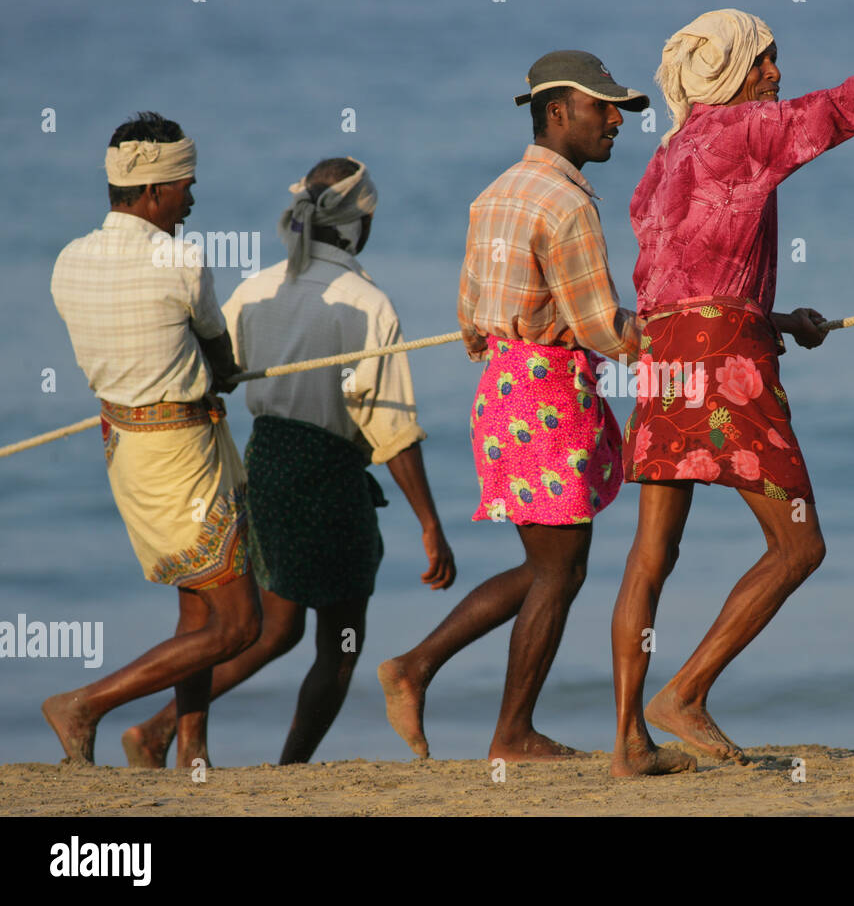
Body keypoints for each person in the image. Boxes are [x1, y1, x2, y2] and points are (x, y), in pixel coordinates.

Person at [610, 9, 854, 777]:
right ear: (730, 74)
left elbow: (682, 285)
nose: (776, 75)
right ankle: (683, 693)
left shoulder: (664, 159)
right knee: (799, 545)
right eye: (764, 62)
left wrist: (779, 317)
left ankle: (628, 742)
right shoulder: (742, 131)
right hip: (726, 362)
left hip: (661, 359)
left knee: (650, 552)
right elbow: (841, 106)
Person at [121, 157, 455, 766]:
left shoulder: (255, 290)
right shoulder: (367, 302)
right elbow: (390, 426)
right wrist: (430, 523)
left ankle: (161, 728)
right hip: (326, 473)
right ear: (362, 222)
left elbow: (212, 372)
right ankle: (289, 765)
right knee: (340, 642)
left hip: (266, 463)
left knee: (276, 629)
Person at [378, 52, 648, 761]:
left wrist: (518, 340)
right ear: (559, 113)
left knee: (549, 565)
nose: (617, 121)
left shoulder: (493, 194)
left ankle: (418, 669)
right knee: (561, 571)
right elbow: (597, 327)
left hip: (501, 388)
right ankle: (509, 732)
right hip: (551, 395)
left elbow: (469, 318)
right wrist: (663, 338)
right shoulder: (568, 202)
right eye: (604, 108)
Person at [46, 111, 261, 766]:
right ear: (153, 193)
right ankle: (85, 704)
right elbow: (219, 356)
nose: (192, 201)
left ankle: (191, 749)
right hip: (182, 457)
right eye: (185, 187)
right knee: (242, 624)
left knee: (198, 612)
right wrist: (221, 373)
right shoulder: (178, 260)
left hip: (128, 451)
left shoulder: (68, 262)